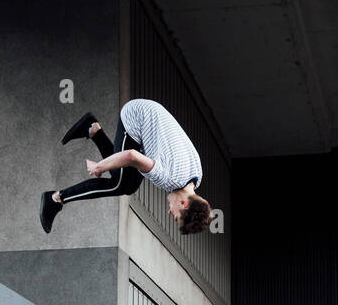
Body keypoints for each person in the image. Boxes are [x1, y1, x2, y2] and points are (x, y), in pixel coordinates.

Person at [40, 99, 213, 236]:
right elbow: (131, 156)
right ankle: (55, 199)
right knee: (119, 184)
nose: (169, 211)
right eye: (175, 216)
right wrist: (100, 167)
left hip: (152, 113)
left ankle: (92, 129)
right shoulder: (168, 178)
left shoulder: (197, 174)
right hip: (136, 116)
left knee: (127, 184)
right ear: (183, 203)